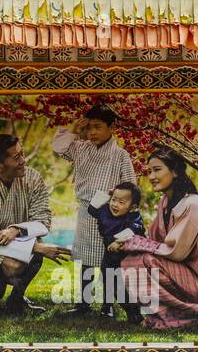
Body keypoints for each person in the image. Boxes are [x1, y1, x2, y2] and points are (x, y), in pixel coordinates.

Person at [0, 133, 70, 315]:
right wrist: (38, 248)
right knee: (22, 260)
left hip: (18, 241)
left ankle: (16, 300)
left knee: (31, 256)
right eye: (16, 157)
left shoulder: (33, 178)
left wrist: (16, 230)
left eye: (22, 154)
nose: (23, 161)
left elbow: (43, 220)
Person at [117, 146, 198, 330]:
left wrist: (134, 241)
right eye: (149, 171)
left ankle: (196, 317)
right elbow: (154, 240)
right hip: (184, 277)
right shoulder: (164, 203)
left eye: (157, 170)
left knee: (144, 259)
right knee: (130, 260)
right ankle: (169, 315)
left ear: (175, 171)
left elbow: (175, 252)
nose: (151, 176)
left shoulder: (193, 204)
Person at [50, 104, 136, 313]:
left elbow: (131, 186)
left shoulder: (121, 155)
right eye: (88, 128)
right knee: (86, 260)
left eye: (97, 127)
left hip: (111, 213)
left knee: (109, 260)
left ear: (111, 127)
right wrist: (73, 127)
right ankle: (83, 304)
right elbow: (58, 147)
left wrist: (118, 204)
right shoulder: (81, 147)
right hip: (85, 210)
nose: (92, 132)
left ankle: (108, 306)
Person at [87, 181, 145, 319]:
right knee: (107, 278)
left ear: (132, 207)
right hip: (110, 252)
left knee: (120, 284)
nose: (115, 205)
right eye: (114, 200)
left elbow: (135, 229)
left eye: (121, 202)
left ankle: (133, 313)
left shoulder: (133, 216)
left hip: (126, 254)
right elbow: (91, 209)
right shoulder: (105, 211)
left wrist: (119, 242)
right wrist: (105, 195)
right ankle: (107, 307)